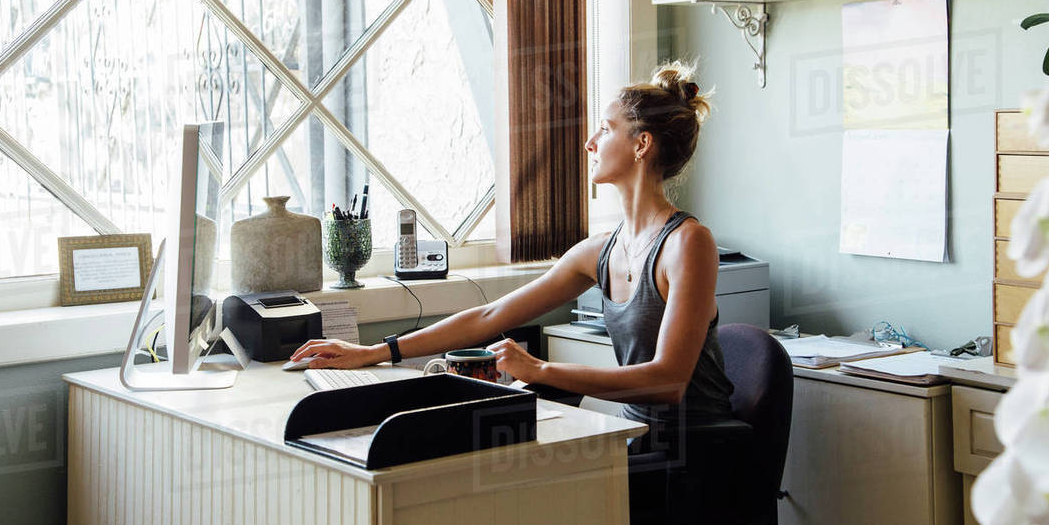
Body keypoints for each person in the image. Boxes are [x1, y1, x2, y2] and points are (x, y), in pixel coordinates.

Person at [291, 60, 734, 436]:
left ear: (641, 144)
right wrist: (375, 352)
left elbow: (669, 382)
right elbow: (489, 316)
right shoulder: (599, 251)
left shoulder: (688, 244)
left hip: (698, 453)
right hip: (635, 437)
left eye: (604, 129)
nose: (590, 143)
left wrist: (539, 370)